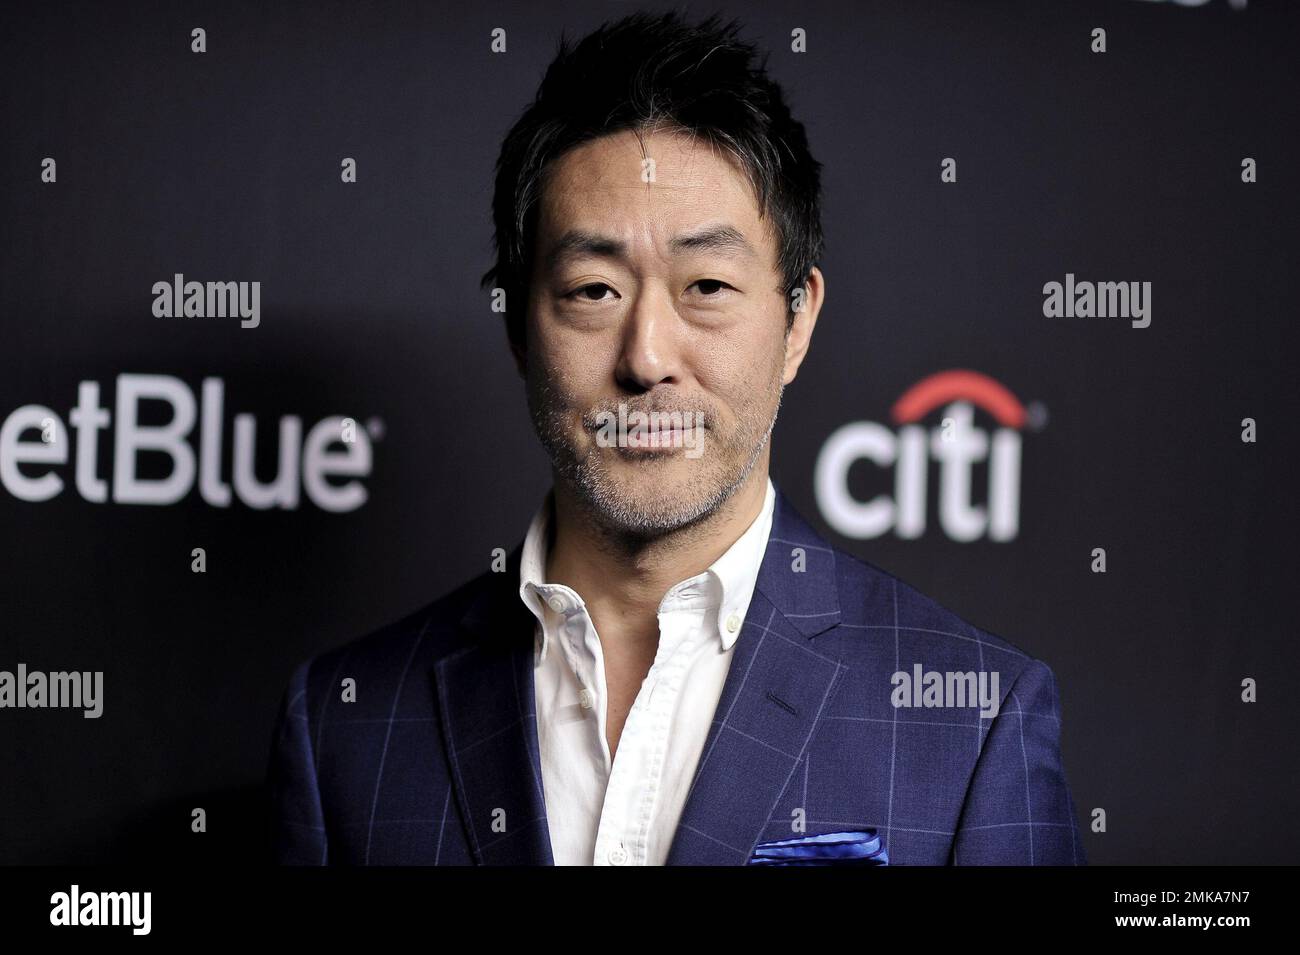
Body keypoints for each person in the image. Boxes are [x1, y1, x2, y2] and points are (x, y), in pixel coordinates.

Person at [267, 10, 1084, 866]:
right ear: (517, 326)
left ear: (797, 322)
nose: (647, 356)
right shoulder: (344, 725)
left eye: (706, 284)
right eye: (592, 290)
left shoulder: (970, 721)